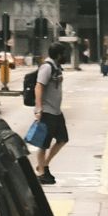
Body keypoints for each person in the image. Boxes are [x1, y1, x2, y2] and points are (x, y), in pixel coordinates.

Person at [33, 42, 70, 185]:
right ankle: (42, 173)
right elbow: (38, 86)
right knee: (43, 144)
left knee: (63, 139)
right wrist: (38, 108)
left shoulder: (56, 67)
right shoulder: (47, 67)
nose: (65, 56)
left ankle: (44, 164)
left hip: (56, 112)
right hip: (47, 112)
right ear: (59, 54)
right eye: (64, 53)